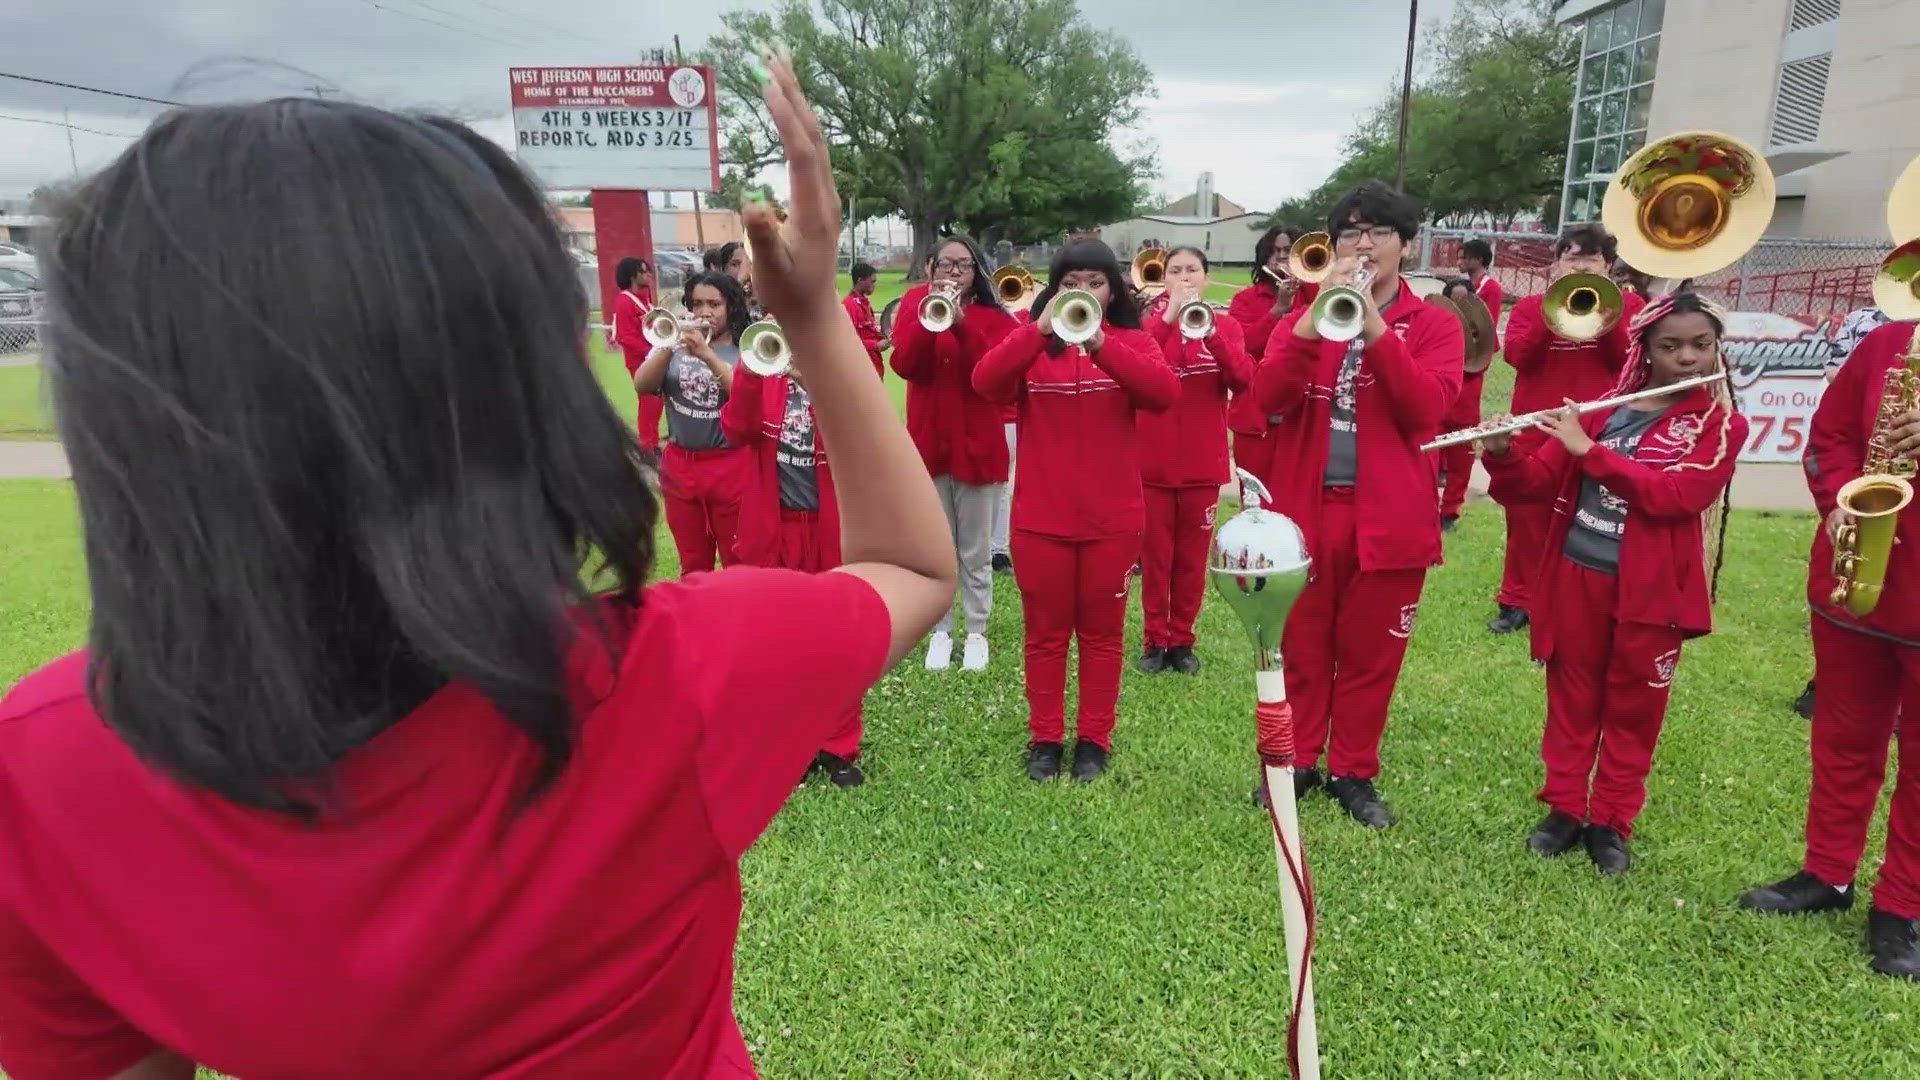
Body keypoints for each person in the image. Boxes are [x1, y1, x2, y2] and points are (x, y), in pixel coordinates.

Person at [0, 55, 957, 1078]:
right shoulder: (672, 676)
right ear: (528, 401)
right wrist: (810, 313)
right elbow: (910, 565)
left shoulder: (44, 774)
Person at [1481, 292, 1746, 874]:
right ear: (1644, 350)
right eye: (1670, 346)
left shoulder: (1721, 423)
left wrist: (1589, 451)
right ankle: (1564, 808)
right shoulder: (1603, 411)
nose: (1687, 358)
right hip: (1578, 575)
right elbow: (1532, 485)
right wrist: (1502, 454)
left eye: (1701, 345)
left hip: (1653, 592)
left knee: (1634, 709)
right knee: (1571, 698)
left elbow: (1678, 497)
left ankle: (1611, 821)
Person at [1248, 180, 1464, 825]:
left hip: (1390, 515)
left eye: (1378, 233)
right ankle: (1299, 759)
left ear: (1406, 245)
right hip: (1308, 509)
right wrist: (1309, 322)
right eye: (1350, 233)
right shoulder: (1306, 316)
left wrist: (1374, 327)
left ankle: (1353, 771)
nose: (1363, 245)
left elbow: (1426, 409)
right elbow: (1268, 398)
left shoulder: (1435, 324)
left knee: (1372, 656)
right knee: (1303, 647)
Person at [1738, 318, 1920, 981]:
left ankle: (1902, 905)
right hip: (1856, 583)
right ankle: (1828, 873)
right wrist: (1837, 502)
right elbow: (1831, 436)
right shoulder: (1888, 344)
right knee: (1843, 741)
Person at [975, 238, 1179, 782]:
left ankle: (1093, 739)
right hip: (1040, 521)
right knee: (1045, 636)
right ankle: (1045, 738)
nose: (1082, 291)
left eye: (1095, 282)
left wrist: (1101, 344)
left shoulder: (1132, 341)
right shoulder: (1033, 344)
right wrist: (1038, 330)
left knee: (1102, 635)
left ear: (1112, 291)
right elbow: (986, 383)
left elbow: (1163, 395)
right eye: (1070, 283)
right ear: (1054, 290)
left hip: (1113, 522)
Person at [1489, 225, 1647, 635]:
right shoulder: (1530, 307)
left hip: (1599, 428)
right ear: (1556, 264)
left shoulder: (1629, 305)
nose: (1581, 266)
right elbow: (1518, 356)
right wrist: (1554, 313)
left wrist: (1604, 314)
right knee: (1526, 517)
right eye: (1572, 257)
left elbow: (1626, 362)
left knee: (1593, 512)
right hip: (1538, 425)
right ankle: (1517, 600)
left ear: (1608, 266)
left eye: (1591, 259)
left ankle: (1575, 596)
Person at [719, 357, 866, 787]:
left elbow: (857, 437)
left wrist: (813, 380)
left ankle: (839, 745)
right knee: (779, 640)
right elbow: (737, 430)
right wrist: (750, 369)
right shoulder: (765, 378)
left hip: (828, 527)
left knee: (836, 639)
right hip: (775, 526)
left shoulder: (839, 368)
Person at [891, 235, 1020, 671]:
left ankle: (977, 630)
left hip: (978, 447)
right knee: (937, 549)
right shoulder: (915, 304)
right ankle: (941, 631)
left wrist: (961, 324)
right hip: (928, 445)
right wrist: (931, 321)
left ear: (976, 271)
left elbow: (994, 374)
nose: (953, 273)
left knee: (976, 550)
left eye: (963, 265)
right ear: (931, 267)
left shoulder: (994, 316)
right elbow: (905, 365)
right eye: (945, 264)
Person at [1137, 246, 1251, 675]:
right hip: (1152, 465)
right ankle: (1154, 639)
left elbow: (1242, 378)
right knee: (1155, 560)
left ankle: (1182, 639)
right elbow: (1137, 365)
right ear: (1163, 278)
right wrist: (1169, 318)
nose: (1184, 278)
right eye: (1175, 271)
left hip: (1202, 465)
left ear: (1206, 277)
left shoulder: (1226, 325)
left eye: (1192, 270)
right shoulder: (1148, 325)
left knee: (1190, 562)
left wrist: (1212, 334)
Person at [631, 271, 753, 573]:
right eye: (697, 304)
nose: (704, 312)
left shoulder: (744, 349)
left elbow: (746, 398)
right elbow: (642, 384)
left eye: (714, 304)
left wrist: (707, 355)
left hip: (730, 465)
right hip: (681, 465)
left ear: (731, 307)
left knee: (738, 561)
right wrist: (669, 345)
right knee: (693, 563)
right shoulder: (673, 345)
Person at [1227, 226, 1316, 483]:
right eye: (1275, 251)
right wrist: (1278, 309)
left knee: (1297, 494)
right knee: (1255, 497)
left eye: (1288, 251)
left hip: (1302, 417)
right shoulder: (1245, 299)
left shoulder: (1315, 295)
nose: (1281, 256)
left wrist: (1308, 284)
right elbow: (1243, 346)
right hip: (1255, 418)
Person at [1436, 276, 1495, 531]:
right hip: (1438, 406)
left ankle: (1449, 513)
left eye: (1465, 301)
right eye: (1454, 301)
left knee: (1461, 466)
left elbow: (1486, 357)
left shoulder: (1482, 331)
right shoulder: (1435, 327)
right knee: (1427, 462)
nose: (1460, 306)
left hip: (1465, 411)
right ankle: (1425, 508)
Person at [609, 255, 666, 452]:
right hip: (639, 360)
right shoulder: (625, 301)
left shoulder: (645, 299)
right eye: (643, 271)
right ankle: (647, 446)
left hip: (652, 357)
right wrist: (651, 352)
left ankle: (652, 442)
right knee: (649, 400)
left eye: (648, 270)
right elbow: (625, 336)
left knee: (657, 401)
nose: (649, 274)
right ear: (632, 275)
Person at [844, 261, 886, 374]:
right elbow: (848, 340)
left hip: (873, 364)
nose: (874, 285)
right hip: (861, 368)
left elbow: (869, 331)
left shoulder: (864, 303)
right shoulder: (850, 305)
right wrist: (876, 345)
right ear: (860, 280)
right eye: (872, 281)